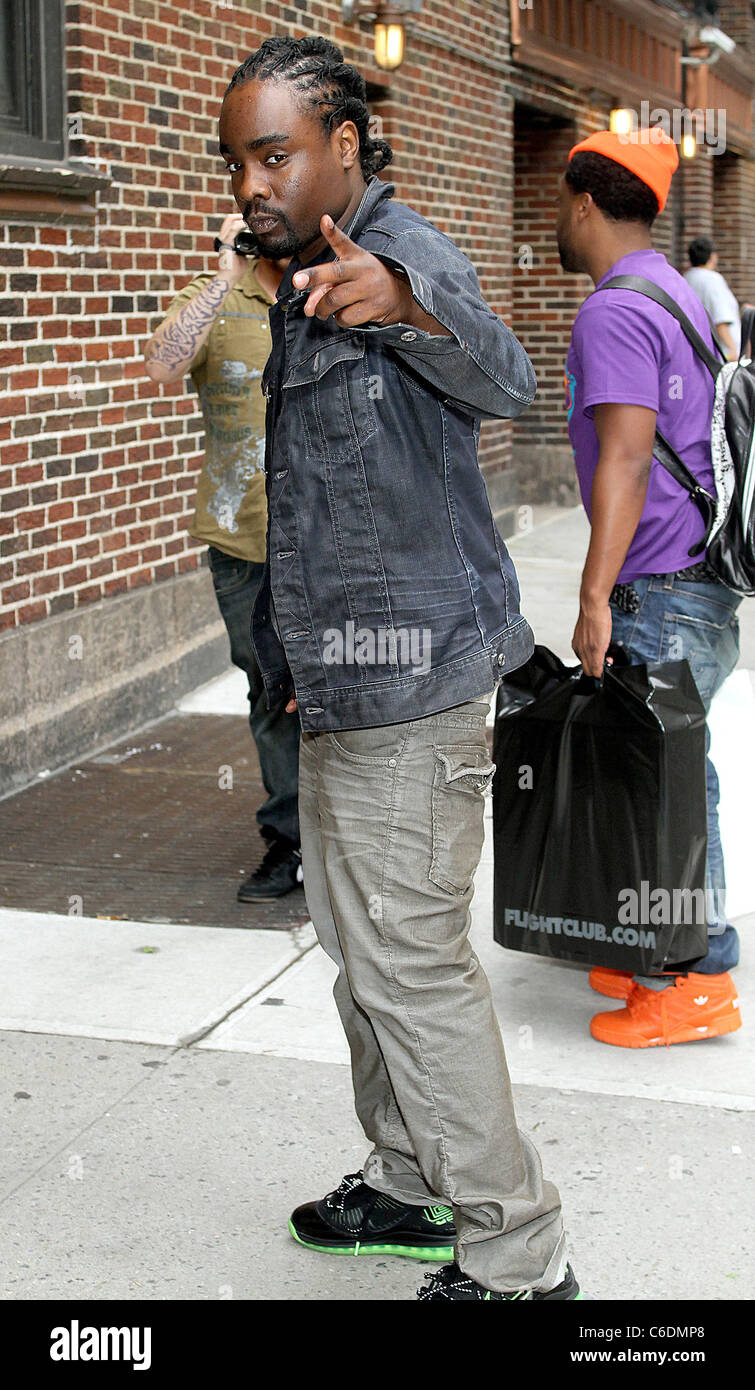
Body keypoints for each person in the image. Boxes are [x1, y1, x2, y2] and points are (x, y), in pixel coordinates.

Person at [219, 35, 581, 1300]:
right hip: (343, 680)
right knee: (359, 949)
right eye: (239, 160)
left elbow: (507, 370)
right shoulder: (296, 266)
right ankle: (410, 1184)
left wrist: (411, 308)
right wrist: (292, 660)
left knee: (411, 967)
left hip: (417, 690)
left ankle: (517, 1255)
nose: (250, 182)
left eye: (274, 154)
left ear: (345, 147)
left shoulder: (398, 255)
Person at [558, 128, 743, 1047]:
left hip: (658, 588)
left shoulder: (611, 310)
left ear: (583, 203)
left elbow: (627, 460)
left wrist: (594, 597)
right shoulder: (670, 289)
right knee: (667, 775)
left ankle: (696, 980)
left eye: (561, 203)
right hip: (694, 582)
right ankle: (670, 943)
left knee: (667, 786)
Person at [143, 221, 302, 901]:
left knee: (339, 689)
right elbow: (160, 363)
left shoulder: (330, 291)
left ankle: (353, 840)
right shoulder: (216, 297)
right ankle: (289, 840)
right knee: (271, 691)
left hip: (331, 542)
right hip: (244, 542)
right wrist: (225, 275)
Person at [685, 236, 742, 361]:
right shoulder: (712, 280)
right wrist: (732, 349)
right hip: (723, 354)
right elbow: (721, 319)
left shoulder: (686, 278)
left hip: (699, 351)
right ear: (712, 257)